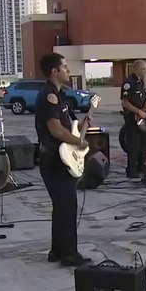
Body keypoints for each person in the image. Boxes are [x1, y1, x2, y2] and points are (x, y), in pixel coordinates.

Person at [34, 53, 92, 267]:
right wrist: (79, 143)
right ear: (54, 72)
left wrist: (84, 125)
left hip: (61, 157)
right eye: (65, 67)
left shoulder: (61, 96)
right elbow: (56, 130)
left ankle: (57, 250)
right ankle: (69, 254)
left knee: (62, 206)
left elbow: (69, 126)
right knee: (67, 205)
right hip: (54, 159)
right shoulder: (48, 95)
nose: (68, 70)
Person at [120, 60, 146, 178]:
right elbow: (125, 102)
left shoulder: (140, 83)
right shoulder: (129, 83)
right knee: (133, 146)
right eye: (143, 69)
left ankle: (141, 166)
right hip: (132, 119)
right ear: (137, 69)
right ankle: (131, 170)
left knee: (144, 144)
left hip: (142, 119)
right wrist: (138, 111)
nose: (145, 71)